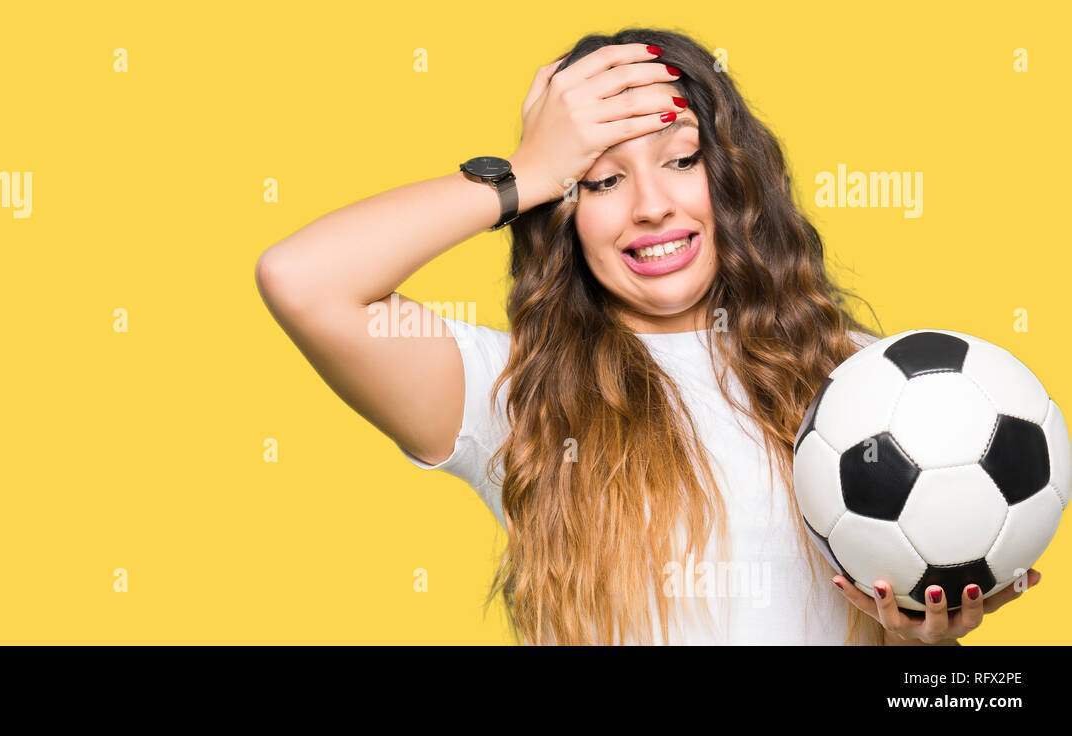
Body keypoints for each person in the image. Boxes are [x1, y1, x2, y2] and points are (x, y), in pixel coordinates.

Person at [255, 27, 1038, 645]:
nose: (652, 205)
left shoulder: (863, 384)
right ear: (563, 209)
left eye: (682, 158)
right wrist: (522, 173)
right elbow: (303, 279)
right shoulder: (519, 395)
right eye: (601, 178)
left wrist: (923, 651)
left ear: (732, 177)